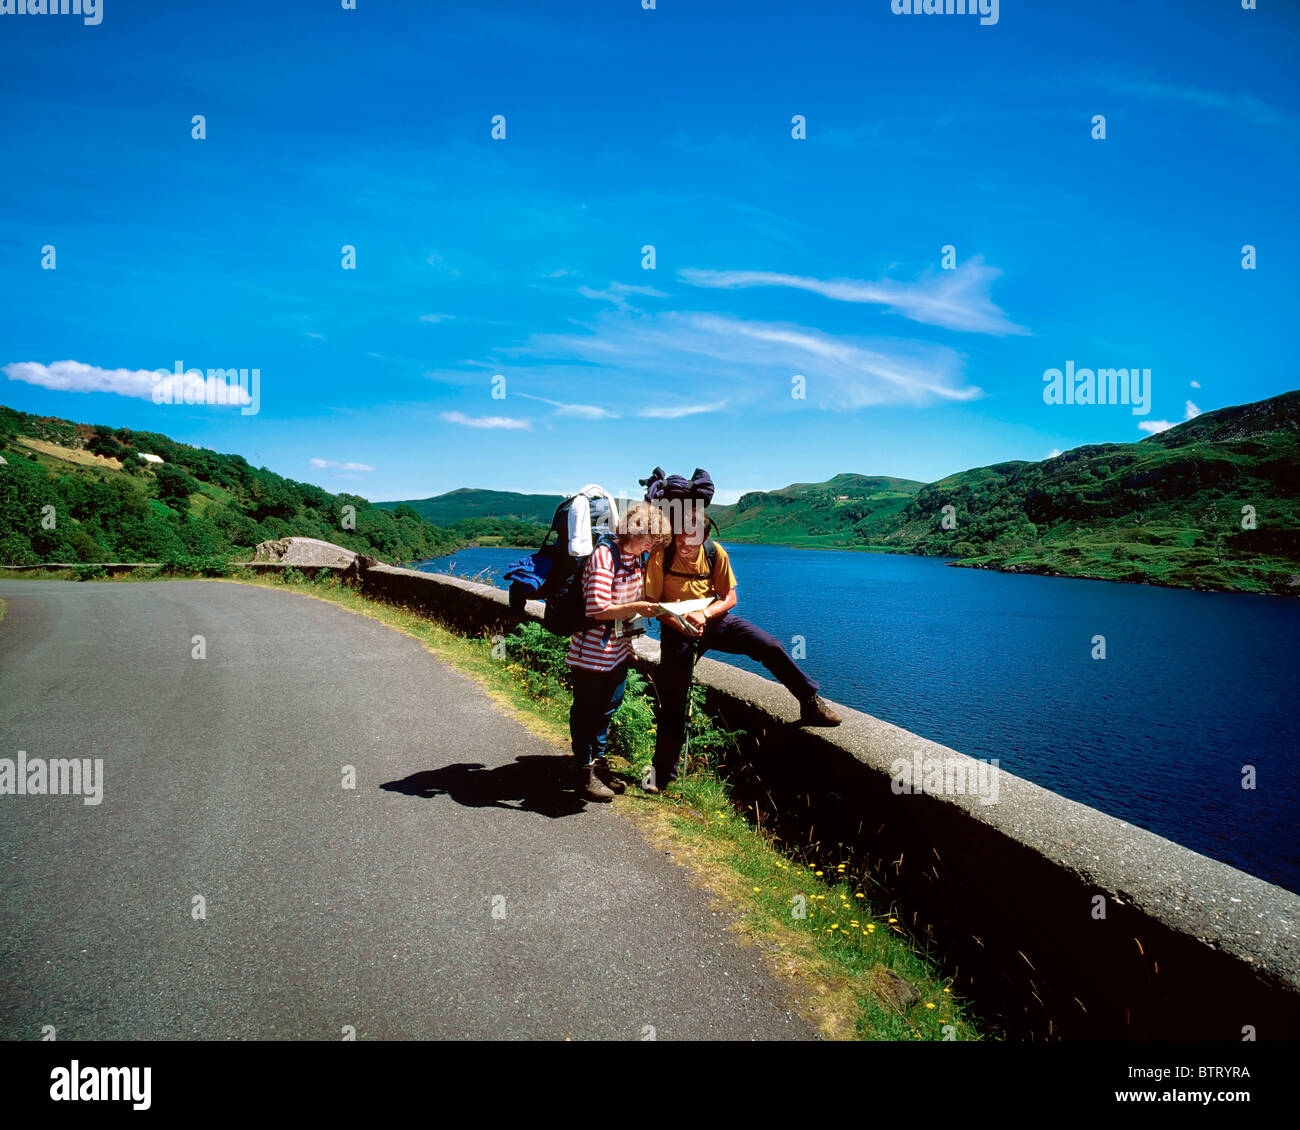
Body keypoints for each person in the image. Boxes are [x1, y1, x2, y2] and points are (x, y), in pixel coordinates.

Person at [641, 468, 841, 795]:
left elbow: (730, 597)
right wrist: (680, 621)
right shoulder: (661, 554)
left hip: (713, 621)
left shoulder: (714, 551)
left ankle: (809, 701)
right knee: (673, 701)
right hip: (676, 629)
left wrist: (704, 614)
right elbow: (652, 603)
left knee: (769, 645)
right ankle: (661, 776)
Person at [565, 500, 671, 801]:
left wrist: (630, 644)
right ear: (633, 531)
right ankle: (583, 771)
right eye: (648, 538)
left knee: (607, 710)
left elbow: (625, 610)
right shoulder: (604, 555)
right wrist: (639, 606)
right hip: (592, 651)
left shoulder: (635, 558)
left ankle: (598, 766)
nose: (650, 545)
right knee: (587, 711)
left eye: (654, 541)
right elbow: (597, 609)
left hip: (618, 650)